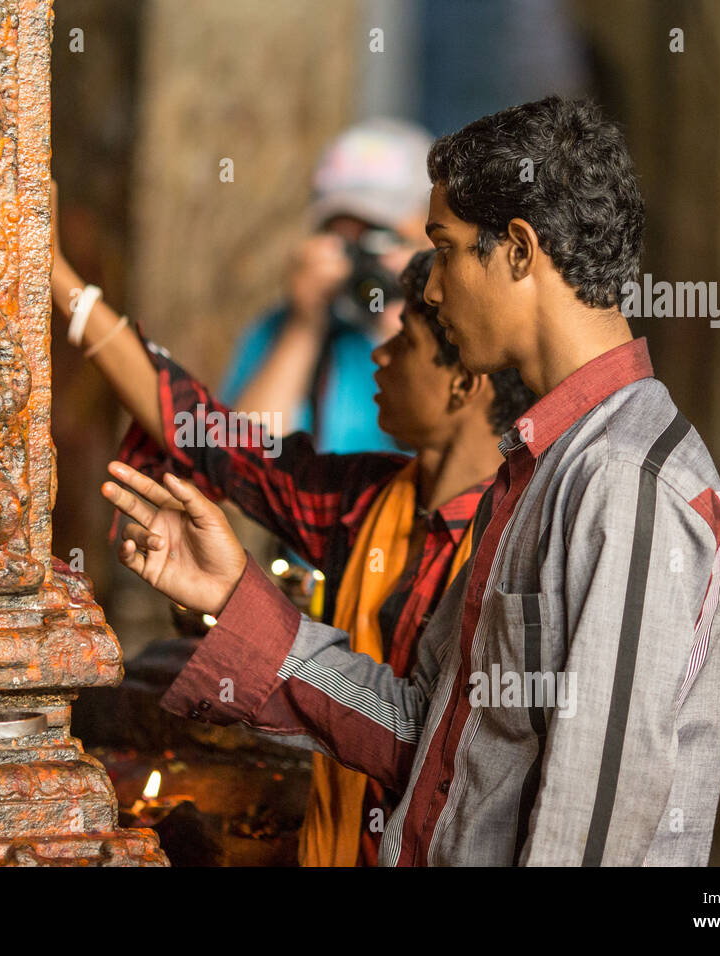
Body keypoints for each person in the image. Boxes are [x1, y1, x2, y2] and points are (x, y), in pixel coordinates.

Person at [100, 96, 720, 866]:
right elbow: (427, 731)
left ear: (520, 252)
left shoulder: (622, 481)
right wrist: (236, 600)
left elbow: (595, 831)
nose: (430, 290)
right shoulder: (538, 466)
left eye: (443, 248)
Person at [51, 208, 532, 865]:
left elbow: (435, 748)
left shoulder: (519, 542)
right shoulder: (365, 497)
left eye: (408, 343)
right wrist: (61, 284)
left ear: (464, 383)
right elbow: (206, 433)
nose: (380, 356)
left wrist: (245, 606)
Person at [222, 118, 435, 454]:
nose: (364, 261)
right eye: (343, 242)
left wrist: (409, 330)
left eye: (381, 239)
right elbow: (243, 459)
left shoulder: (467, 335)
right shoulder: (279, 330)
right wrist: (303, 327)